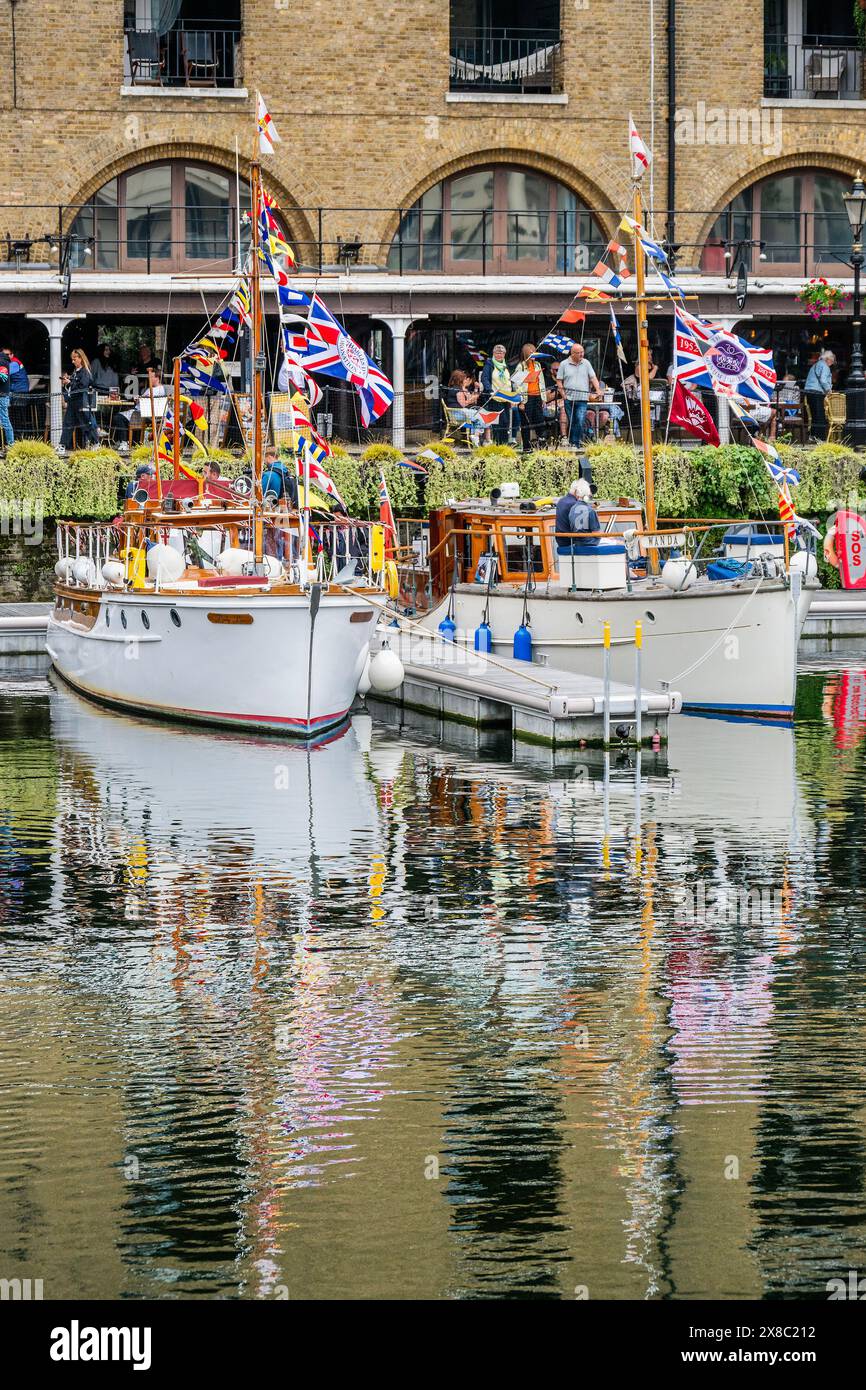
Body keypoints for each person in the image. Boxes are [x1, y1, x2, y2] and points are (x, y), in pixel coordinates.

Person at [558, 343, 599, 447]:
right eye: (578, 353)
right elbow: (559, 381)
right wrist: (563, 395)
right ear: (572, 354)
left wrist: (598, 389)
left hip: (582, 399)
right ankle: (573, 442)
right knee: (572, 421)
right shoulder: (563, 364)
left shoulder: (586, 363)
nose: (581, 354)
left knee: (580, 420)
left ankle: (575, 443)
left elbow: (593, 377)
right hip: (569, 398)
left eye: (582, 352)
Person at [59, 348, 97, 451]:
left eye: (75, 358)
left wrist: (70, 383)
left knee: (87, 423)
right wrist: (68, 382)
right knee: (68, 424)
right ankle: (62, 445)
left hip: (82, 402)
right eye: (72, 359)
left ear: (81, 358)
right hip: (73, 401)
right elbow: (75, 385)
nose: (73, 361)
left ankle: (95, 443)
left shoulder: (85, 372)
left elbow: (83, 386)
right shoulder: (76, 372)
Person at [512, 343, 549, 451]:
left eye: (534, 351)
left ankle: (541, 445)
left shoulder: (537, 365)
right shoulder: (521, 366)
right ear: (526, 353)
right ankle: (527, 447)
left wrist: (543, 398)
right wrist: (521, 401)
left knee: (540, 421)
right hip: (526, 398)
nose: (533, 353)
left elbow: (541, 382)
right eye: (531, 352)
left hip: (537, 396)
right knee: (526, 424)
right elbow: (516, 384)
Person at [480, 344, 515, 444]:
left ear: (504, 354)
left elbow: (510, 380)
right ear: (493, 354)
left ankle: (504, 443)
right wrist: (489, 390)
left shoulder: (506, 365)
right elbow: (484, 378)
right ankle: (499, 443)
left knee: (506, 421)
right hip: (495, 397)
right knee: (500, 421)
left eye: (502, 353)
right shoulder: (489, 364)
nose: (499, 355)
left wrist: (513, 394)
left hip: (507, 397)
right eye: (497, 353)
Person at [554, 478, 601, 548]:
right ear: (577, 491)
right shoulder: (574, 505)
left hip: (561, 541)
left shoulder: (562, 501)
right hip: (572, 542)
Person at [443, 369, 485, 444]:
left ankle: (475, 436)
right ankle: (475, 436)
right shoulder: (458, 390)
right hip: (458, 414)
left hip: (456, 413)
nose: (465, 380)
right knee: (480, 415)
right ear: (459, 379)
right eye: (464, 378)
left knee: (479, 414)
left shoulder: (455, 388)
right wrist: (475, 397)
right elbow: (464, 404)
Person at [805, 350, 833, 441]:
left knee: (814, 415)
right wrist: (828, 390)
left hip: (809, 391)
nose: (832, 362)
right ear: (828, 359)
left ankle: (813, 435)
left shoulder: (816, 365)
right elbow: (824, 380)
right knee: (820, 415)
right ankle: (820, 438)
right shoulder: (825, 366)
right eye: (832, 360)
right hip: (817, 392)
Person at [0, 351, 14, 447]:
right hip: (3, 395)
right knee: (5, 420)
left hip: (2, 396)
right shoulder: (4, 361)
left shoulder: (2, 362)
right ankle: (10, 445)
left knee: (5, 420)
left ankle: (11, 445)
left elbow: (3, 378)